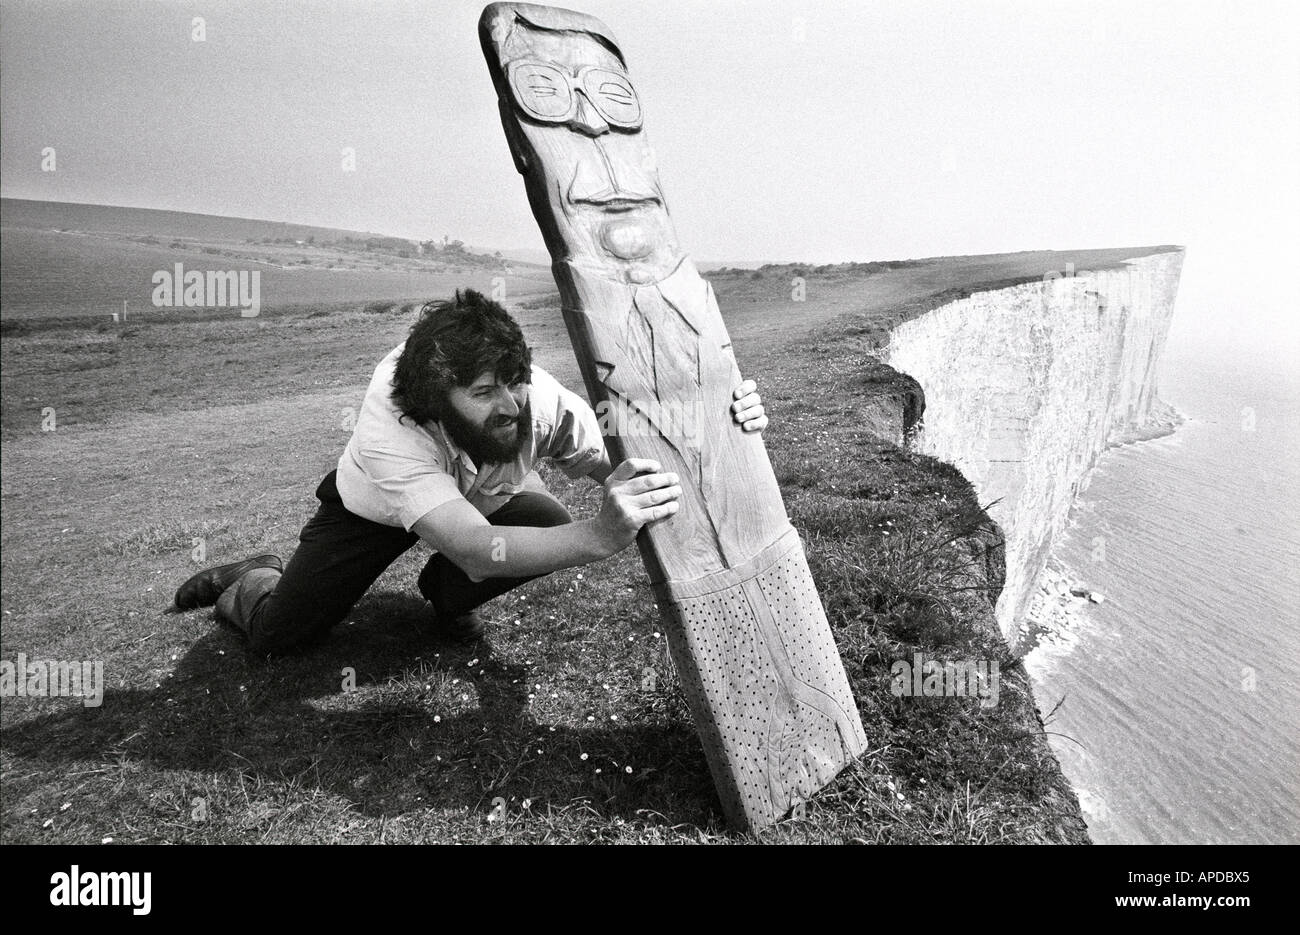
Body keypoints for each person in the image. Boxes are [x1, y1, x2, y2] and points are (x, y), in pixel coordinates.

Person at [170, 288, 768, 655]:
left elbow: (627, 466)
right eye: (484, 392)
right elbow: (483, 551)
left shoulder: (541, 400)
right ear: (437, 399)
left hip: (477, 507)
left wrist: (721, 421)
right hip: (370, 513)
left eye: (513, 381)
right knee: (282, 637)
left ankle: (441, 593)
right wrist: (599, 536)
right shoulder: (392, 428)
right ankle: (252, 577)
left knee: (545, 521)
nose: (509, 405)